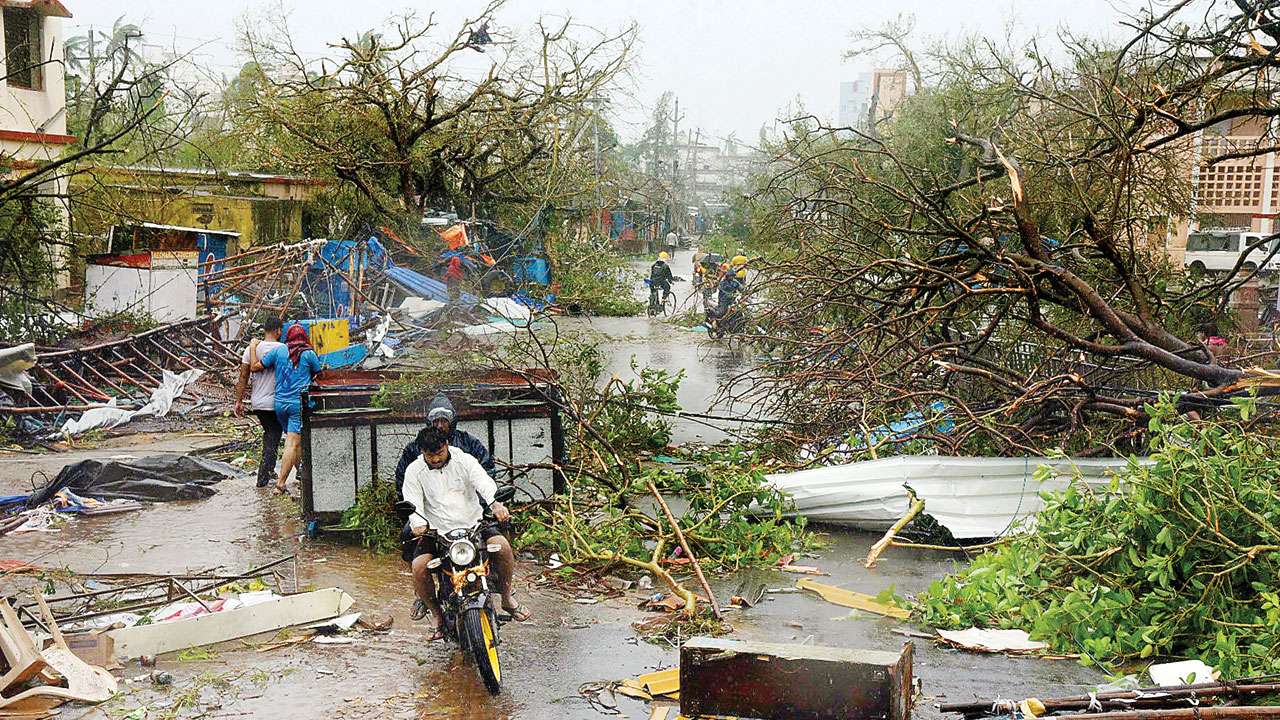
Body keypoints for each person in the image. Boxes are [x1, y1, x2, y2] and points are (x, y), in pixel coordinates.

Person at [403, 427, 529, 640]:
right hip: (437, 532)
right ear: (422, 452)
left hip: (474, 524)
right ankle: (436, 615)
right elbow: (412, 502)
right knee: (418, 567)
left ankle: (507, 598)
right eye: (429, 455)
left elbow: (484, 482)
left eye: (439, 453)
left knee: (504, 547)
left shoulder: (465, 460)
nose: (435, 459)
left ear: (447, 445)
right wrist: (417, 522)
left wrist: (495, 503)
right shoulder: (414, 470)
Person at [251, 324, 323, 495]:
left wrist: (253, 347)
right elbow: (319, 374)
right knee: (292, 443)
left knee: (295, 442)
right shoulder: (308, 353)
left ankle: (302, 476)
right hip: (297, 404)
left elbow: (255, 366)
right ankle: (280, 484)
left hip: (279, 404)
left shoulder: (279, 351)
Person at [233, 317, 285, 487]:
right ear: (278, 330)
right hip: (276, 402)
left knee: (270, 434)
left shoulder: (250, 349)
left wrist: (238, 401)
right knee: (273, 435)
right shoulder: (282, 349)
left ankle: (269, 472)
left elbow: (243, 377)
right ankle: (263, 478)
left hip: (258, 403)